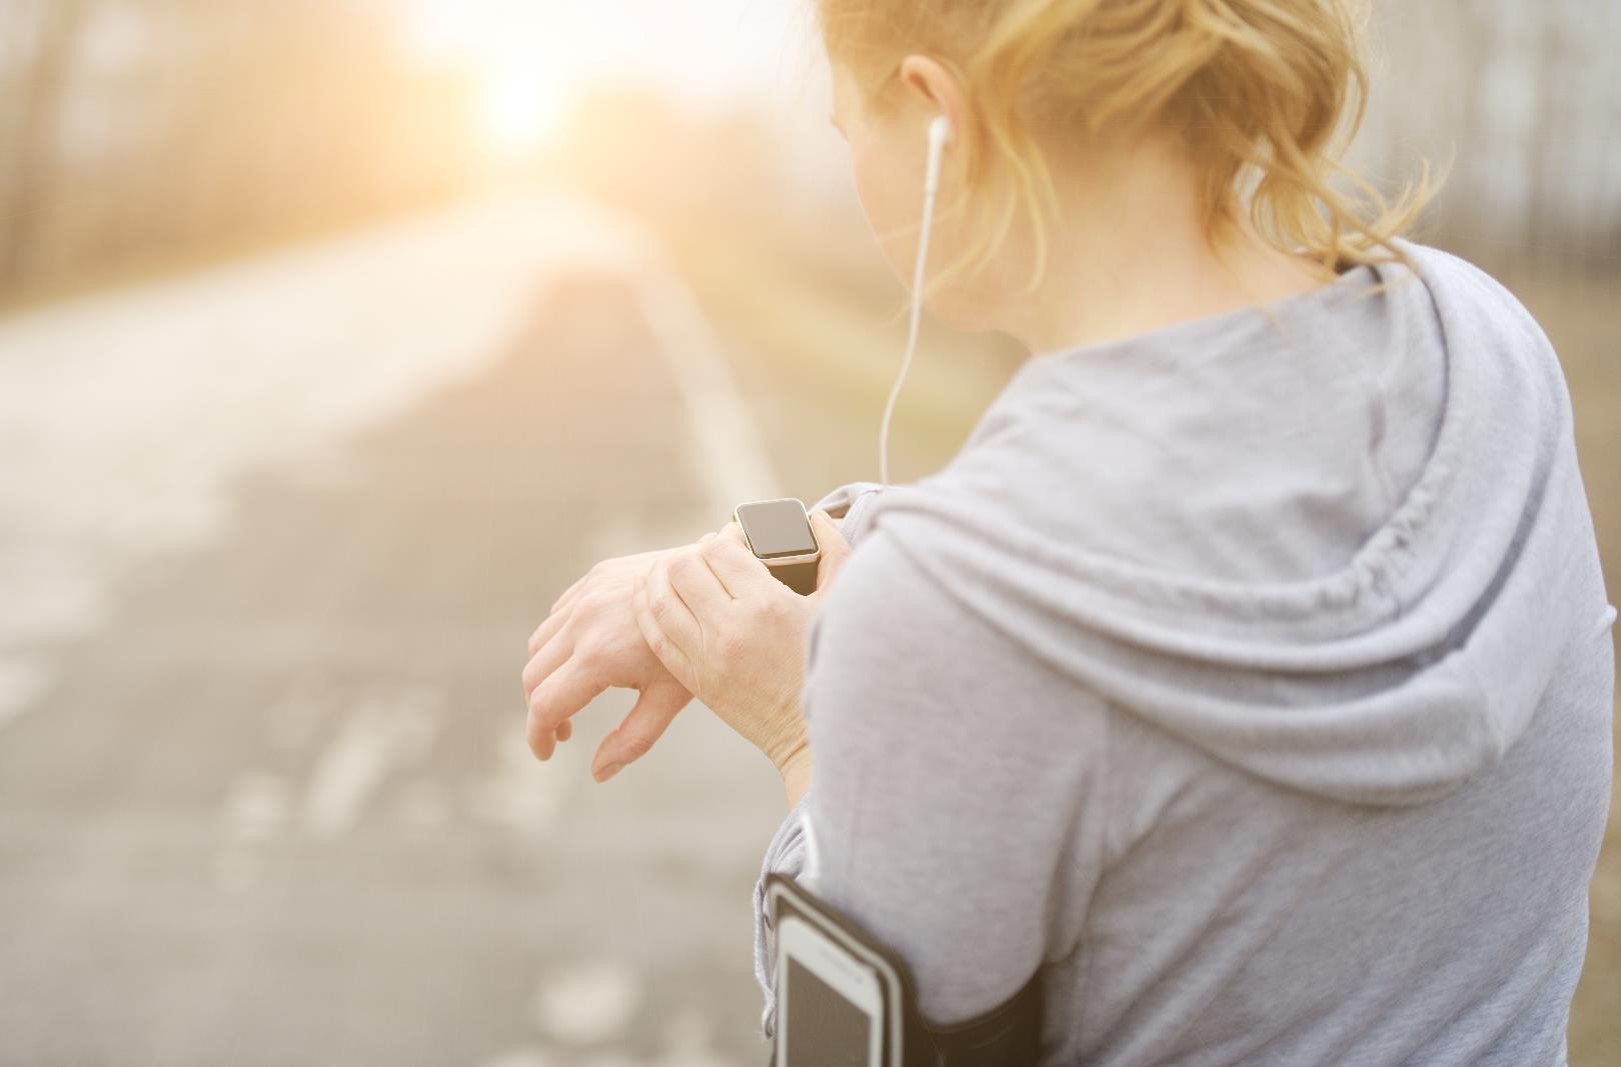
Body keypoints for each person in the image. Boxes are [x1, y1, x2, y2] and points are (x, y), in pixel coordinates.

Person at [520, 1, 1617, 1062]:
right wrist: (798, 551)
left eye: (849, 131)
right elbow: (1180, 506)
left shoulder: (946, 619)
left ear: (938, 116)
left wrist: (806, 727)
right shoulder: (1488, 347)